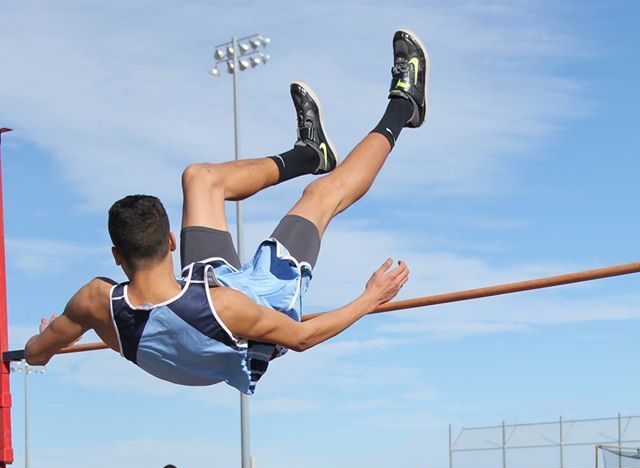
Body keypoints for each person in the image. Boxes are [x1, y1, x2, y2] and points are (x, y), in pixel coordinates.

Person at [24, 31, 428, 395]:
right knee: (322, 196)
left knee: (199, 178)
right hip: (244, 316)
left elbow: (36, 353)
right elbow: (301, 338)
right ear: (170, 242)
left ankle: (309, 153)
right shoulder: (229, 308)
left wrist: (55, 340)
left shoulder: (93, 301)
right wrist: (370, 297)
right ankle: (404, 107)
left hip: (202, 294)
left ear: (117, 255)